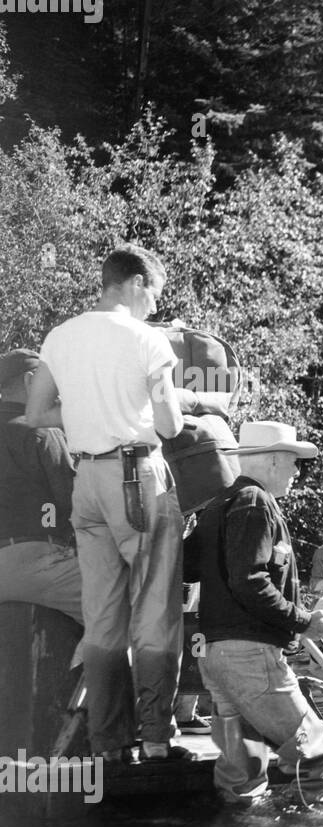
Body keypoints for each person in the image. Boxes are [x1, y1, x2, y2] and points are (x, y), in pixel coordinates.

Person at [27, 245, 189, 763]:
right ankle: (159, 739)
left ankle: (109, 744)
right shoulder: (148, 339)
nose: (156, 307)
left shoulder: (59, 336)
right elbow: (169, 426)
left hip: (87, 480)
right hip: (136, 476)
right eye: (155, 294)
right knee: (156, 609)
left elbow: (37, 414)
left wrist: (83, 417)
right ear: (136, 282)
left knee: (102, 618)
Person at [185, 420, 323, 806]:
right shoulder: (255, 502)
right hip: (250, 657)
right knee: (317, 757)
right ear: (273, 460)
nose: (297, 473)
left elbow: (186, 569)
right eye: (294, 462)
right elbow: (249, 581)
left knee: (243, 773)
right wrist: (305, 621)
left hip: (213, 655)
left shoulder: (217, 505)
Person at [0, 349, 82, 623]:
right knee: (127, 609)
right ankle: (82, 668)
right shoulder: (42, 431)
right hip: (36, 564)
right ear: (30, 381)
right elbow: (74, 504)